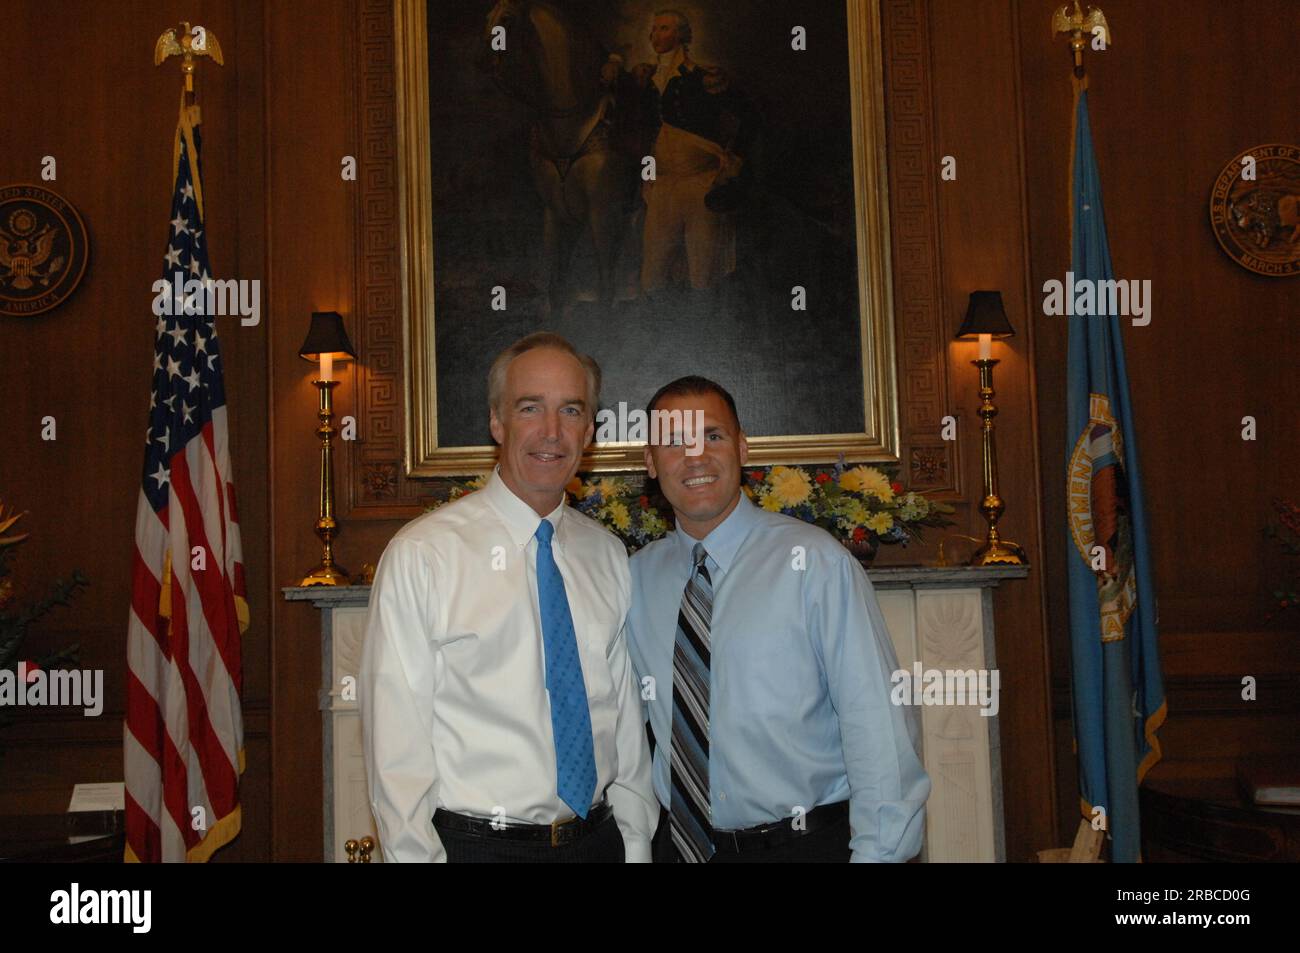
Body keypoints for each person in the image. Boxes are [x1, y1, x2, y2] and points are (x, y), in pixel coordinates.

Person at [359, 332, 658, 862]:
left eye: (570, 409)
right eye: (529, 407)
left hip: (598, 844)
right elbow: (395, 751)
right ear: (496, 422)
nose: (551, 431)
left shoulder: (606, 554)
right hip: (477, 848)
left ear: (589, 431)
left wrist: (634, 845)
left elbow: (624, 723)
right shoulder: (424, 554)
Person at [627, 376, 931, 862]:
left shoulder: (815, 562)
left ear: (743, 449)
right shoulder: (635, 579)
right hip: (678, 848)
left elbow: (877, 726)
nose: (696, 457)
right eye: (673, 442)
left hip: (803, 846)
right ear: (650, 464)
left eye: (713, 436)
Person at [631, 9, 754, 292]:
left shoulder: (704, 77)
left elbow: (749, 117)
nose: (655, 35)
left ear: (681, 35)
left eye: (663, 28)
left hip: (700, 185)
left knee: (703, 276)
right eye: (653, 29)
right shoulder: (646, 80)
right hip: (662, 186)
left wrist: (732, 163)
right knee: (651, 278)